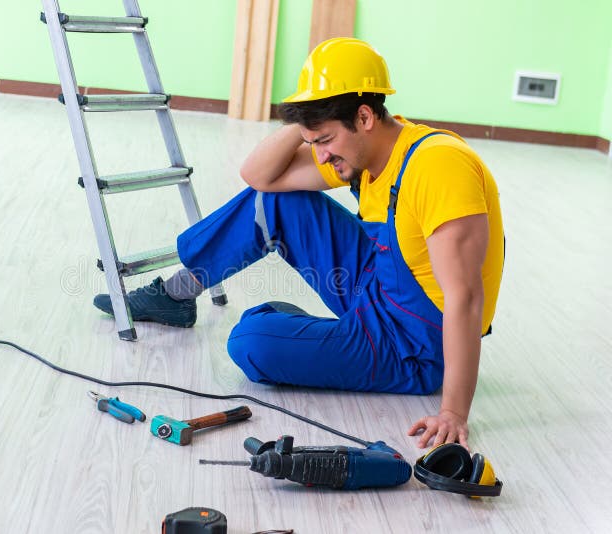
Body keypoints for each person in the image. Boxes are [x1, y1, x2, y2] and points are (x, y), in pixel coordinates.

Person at [93, 38, 504, 450]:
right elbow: (259, 178)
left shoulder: (438, 167)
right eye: (314, 142)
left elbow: (465, 297)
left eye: (324, 139)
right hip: (376, 285)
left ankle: (308, 335)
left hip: (412, 344)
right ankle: (177, 295)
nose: (321, 156)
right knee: (274, 200)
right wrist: (307, 122)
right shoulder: (363, 153)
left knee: (250, 343)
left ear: (364, 116)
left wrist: (452, 413)